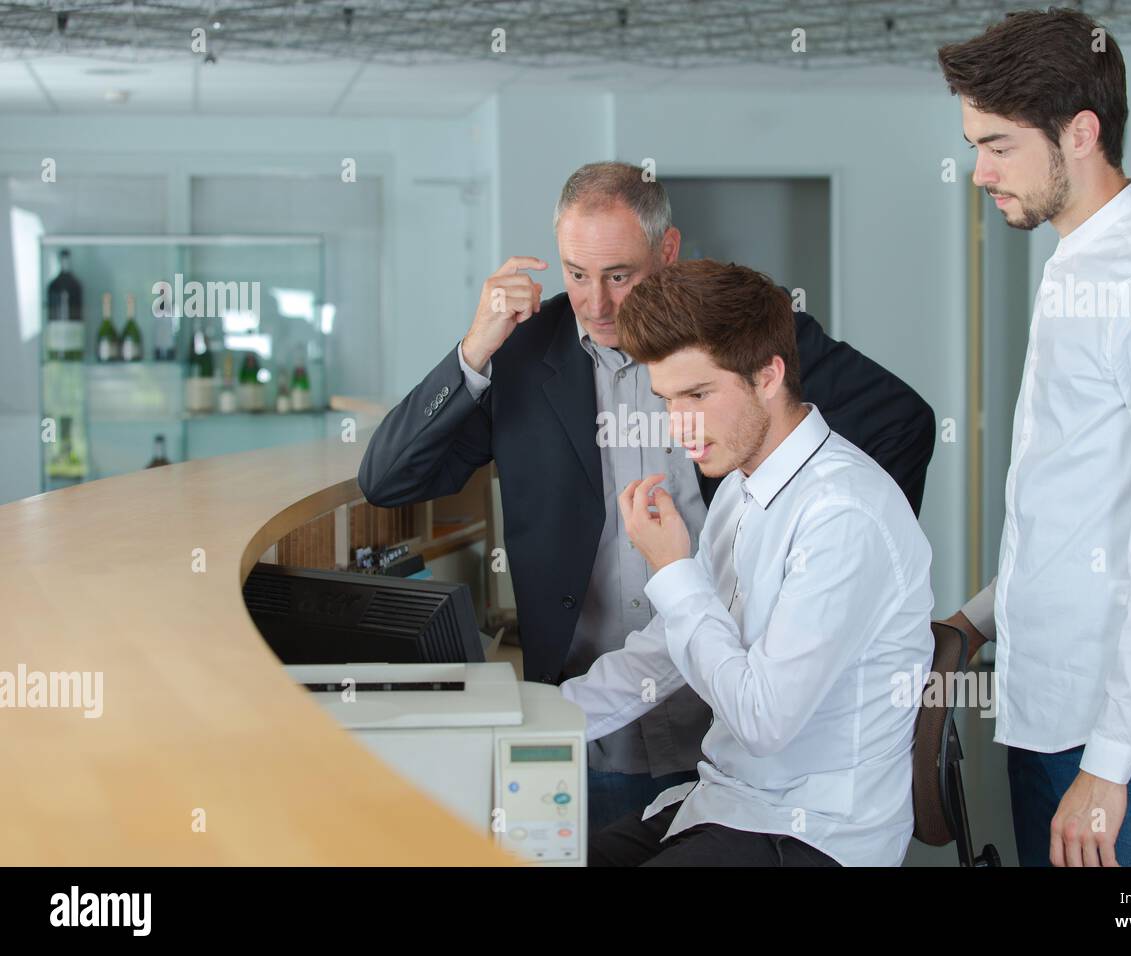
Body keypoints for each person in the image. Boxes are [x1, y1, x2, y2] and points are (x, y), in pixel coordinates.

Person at [358, 161, 936, 831]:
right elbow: (388, 480)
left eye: (619, 276)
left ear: (667, 252)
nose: (597, 304)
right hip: (595, 718)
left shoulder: (737, 334)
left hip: (728, 728)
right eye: (577, 275)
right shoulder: (520, 355)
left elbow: (903, 423)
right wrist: (473, 350)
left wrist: (818, 569)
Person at [935, 8, 1131, 866]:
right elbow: (1077, 508)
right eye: (974, 145)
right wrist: (975, 618)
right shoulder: (1076, 265)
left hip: (1119, 742)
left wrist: (1109, 766)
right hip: (1044, 711)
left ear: (1080, 133)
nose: (977, 173)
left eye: (997, 146)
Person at [561, 258, 934, 865]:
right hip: (727, 804)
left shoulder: (844, 514)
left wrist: (672, 570)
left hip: (813, 830)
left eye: (698, 394)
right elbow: (664, 652)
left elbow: (763, 721)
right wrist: (538, 723)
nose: (679, 427)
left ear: (768, 375)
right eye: (667, 399)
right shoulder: (742, 485)